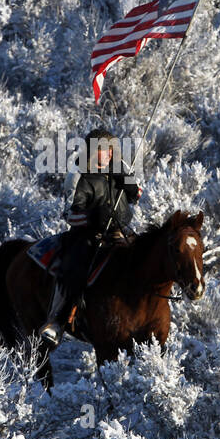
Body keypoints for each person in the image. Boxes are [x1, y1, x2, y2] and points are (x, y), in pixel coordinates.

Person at [38, 127, 141, 346]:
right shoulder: (78, 175)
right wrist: (93, 217)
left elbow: (136, 196)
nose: (108, 154)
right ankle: (57, 321)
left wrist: (130, 184)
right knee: (75, 267)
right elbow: (69, 214)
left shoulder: (118, 169)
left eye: (111, 150)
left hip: (119, 232)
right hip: (87, 235)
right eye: (103, 149)